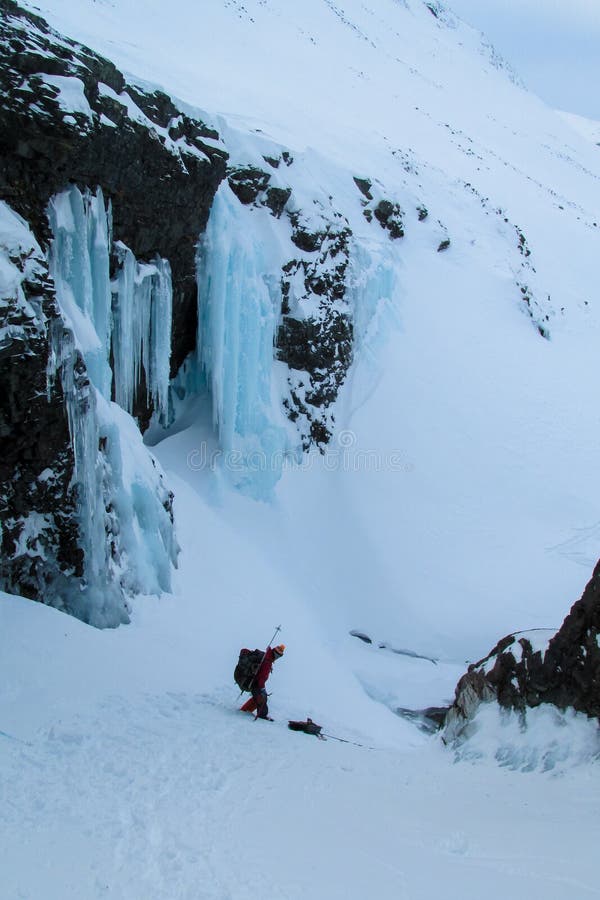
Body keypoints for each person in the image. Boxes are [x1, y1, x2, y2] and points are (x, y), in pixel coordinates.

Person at [240, 644, 285, 719]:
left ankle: (245, 710)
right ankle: (262, 716)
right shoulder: (268, 661)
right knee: (262, 698)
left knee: (257, 697)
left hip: (253, 680)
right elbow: (262, 677)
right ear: (275, 653)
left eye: (279, 655)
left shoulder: (267, 655)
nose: (278, 657)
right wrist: (262, 688)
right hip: (255, 682)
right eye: (278, 654)